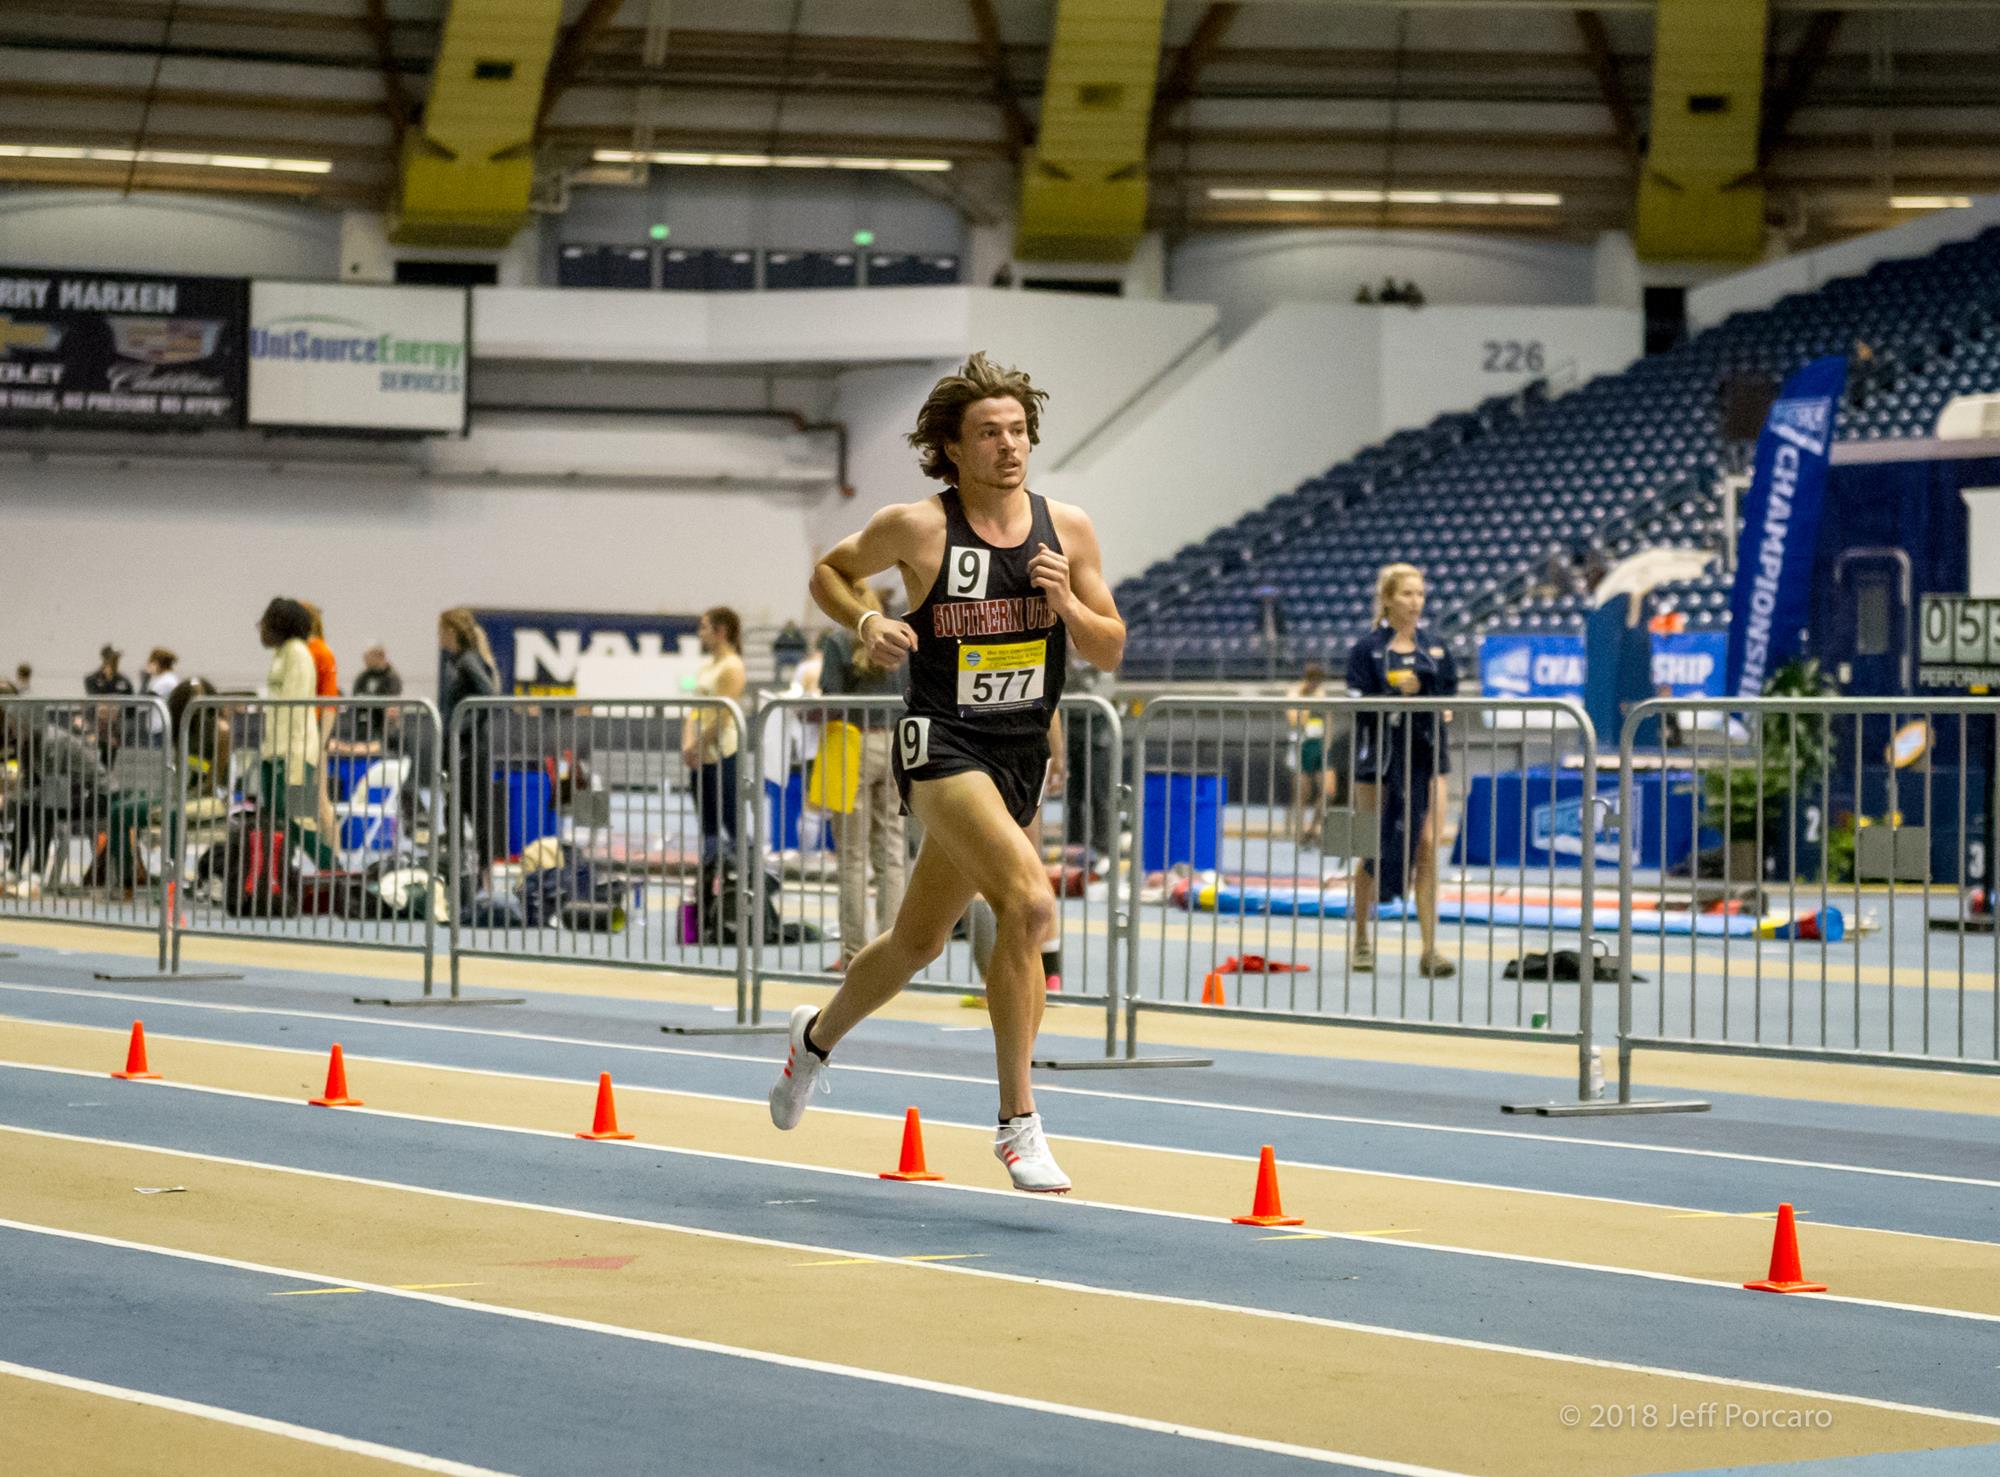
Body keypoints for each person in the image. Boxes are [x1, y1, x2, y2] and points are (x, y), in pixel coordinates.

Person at [766, 351, 1125, 1194]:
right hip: (942, 743)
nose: (1010, 446)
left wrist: (1067, 604)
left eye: (1020, 431)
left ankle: (812, 1039)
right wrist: (864, 621)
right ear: (953, 449)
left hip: (1019, 754)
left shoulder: (1066, 529)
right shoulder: (918, 527)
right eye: (990, 433)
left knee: (919, 940)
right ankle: (1017, 1123)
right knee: (1030, 902)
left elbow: (1110, 643)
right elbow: (830, 569)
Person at [1345, 563, 1457, 979]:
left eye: (1421, 595)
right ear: (1388, 599)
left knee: (1426, 844)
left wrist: (1439, 705)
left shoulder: (1436, 647)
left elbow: (1450, 695)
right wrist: (1393, 693)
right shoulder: (1366, 649)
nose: (1416, 603)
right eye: (1407, 594)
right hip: (1379, 759)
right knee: (1373, 844)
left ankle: (1430, 949)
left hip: (1428, 758)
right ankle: (1361, 938)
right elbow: (1355, 700)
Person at [817, 578, 907, 972]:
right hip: (894, 743)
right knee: (891, 850)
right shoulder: (898, 638)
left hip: (852, 743)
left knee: (852, 856)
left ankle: (855, 951)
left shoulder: (838, 642)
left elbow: (830, 700)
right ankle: (892, 949)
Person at [258, 597, 336, 868]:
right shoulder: (282, 653)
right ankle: (278, 879)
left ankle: (335, 875)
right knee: (276, 823)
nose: (260, 628)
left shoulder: (298, 654)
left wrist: (293, 762)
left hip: (294, 752)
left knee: (301, 820)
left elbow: (295, 709)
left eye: (265, 622)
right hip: (274, 751)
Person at [439, 607, 501, 886]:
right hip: (460, 750)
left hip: (471, 751)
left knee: (476, 815)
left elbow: (487, 694)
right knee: (454, 814)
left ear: (451, 632)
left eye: (441, 631)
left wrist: (459, 729)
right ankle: (462, 875)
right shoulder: (455, 662)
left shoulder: (467, 661)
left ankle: (483, 875)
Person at [683, 606, 745, 865]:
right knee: (707, 820)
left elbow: (724, 715)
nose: (700, 634)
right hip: (700, 752)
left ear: (721, 631)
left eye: (704, 627)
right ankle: (710, 874)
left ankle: (744, 871)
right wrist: (687, 742)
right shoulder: (707, 667)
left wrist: (698, 744)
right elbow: (695, 709)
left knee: (730, 816)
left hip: (722, 752)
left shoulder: (732, 666)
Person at [1286, 663, 1335, 847]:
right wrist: (1306, 700)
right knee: (1302, 793)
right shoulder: (1294, 692)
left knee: (1328, 790)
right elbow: (1295, 720)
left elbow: (1328, 719)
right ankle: (1300, 833)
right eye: (1312, 681)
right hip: (1301, 745)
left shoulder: (1321, 694)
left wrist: (1327, 745)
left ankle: (1315, 828)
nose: (1315, 685)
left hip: (1319, 745)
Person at [352, 641, 402, 745]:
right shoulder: (363, 677)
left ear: (380, 656)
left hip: (383, 724)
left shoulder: (391, 677)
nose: (365, 660)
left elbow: (392, 700)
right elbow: (356, 694)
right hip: (364, 722)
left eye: (368, 657)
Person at [140, 648, 180, 744]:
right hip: (155, 727)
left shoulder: (167, 681)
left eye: (151, 662)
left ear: (157, 663)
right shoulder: (161, 679)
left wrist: (145, 679)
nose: (148, 665)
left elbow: (145, 699)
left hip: (160, 728)